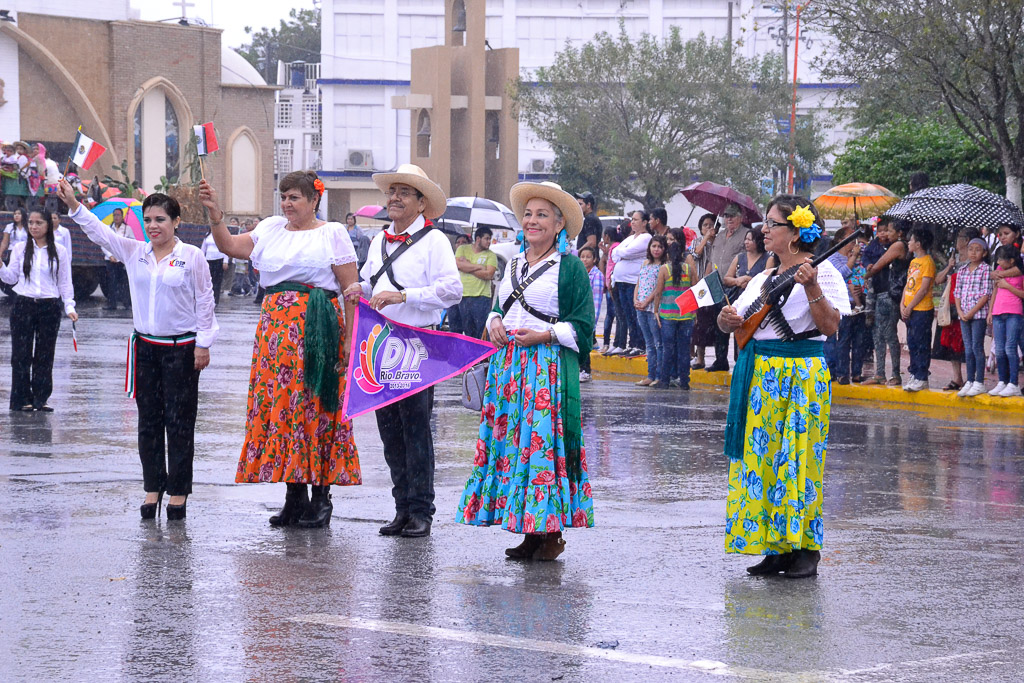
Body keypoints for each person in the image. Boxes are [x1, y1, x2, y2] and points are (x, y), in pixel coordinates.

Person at [202, 172, 361, 529]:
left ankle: (320, 497)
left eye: (294, 198)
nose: (287, 204)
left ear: (313, 200)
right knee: (282, 410)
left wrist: (350, 338)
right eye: (284, 197)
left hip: (318, 328)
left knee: (316, 409)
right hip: (276, 333)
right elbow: (229, 245)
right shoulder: (271, 228)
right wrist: (215, 214)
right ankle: (294, 495)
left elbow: (351, 289)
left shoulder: (332, 233)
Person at [57, 179, 216, 521]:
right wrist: (74, 205)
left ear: (176, 222)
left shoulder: (192, 257)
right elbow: (98, 232)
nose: (153, 226)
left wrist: (204, 343)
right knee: (148, 422)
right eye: (148, 220)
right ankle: (152, 487)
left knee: (179, 423)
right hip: (145, 348)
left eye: (160, 219)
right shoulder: (134, 252)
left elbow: (205, 301)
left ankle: (178, 492)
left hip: (182, 349)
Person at [456, 180, 595, 560]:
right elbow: (500, 307)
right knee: (516, 450)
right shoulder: (514, 263)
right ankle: (527, 528)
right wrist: (495, 320)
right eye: (529, 215)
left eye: (542, 215)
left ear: (559, 224)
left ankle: (549, 533)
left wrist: (545, 334)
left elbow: (583, 328)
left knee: (541, 451)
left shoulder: (569, 269)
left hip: (545, 369)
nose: (532, 222)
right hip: (509, 368)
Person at [717, 195, 848, 579]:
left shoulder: (824, 273)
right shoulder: (761, 277)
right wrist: (727, 319)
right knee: (765, 463)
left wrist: (811, 289)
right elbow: (736, 322)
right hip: (761, 378)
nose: (765, 230)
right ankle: (775, 546)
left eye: (773, 224)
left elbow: (830, 327)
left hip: (801, 377)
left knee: (799, 460)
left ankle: (806, 548)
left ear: (795, 234)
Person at [343, 164, 462, 539]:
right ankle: (401, 508)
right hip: (381, 347)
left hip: (417, 346)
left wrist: (406, 296)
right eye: (392, 191)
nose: (394, 198)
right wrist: (358, 289)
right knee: (389, 430)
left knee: (416, 429)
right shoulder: (378, 241)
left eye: (403, 193)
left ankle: (421, 510)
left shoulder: (435, 241)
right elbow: (373, 280)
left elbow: (452, 291)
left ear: (421, 203)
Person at [0, 209, 77, 411]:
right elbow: (10, 278)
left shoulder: (59, 251)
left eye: (38, 223)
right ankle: (21, 398)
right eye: (31, 223)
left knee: (45, 354)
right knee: (21, 354)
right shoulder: (19, 249)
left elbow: (64, 282)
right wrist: (1, 265)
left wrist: (69, 306)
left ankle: (40, 398)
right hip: (23, 304)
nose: (34, 227)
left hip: (49, 306)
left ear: (48, 226)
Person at [862, 218, 907, 386]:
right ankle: (879, 373)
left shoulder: (899, 245)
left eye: (889, 230)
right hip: (881, 294)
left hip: (890, 295)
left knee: (889, 334)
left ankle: (895, 373)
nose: (886, 234)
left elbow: (879, 265)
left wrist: (867, 274)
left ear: (899, 232)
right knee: (878, 334)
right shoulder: (886, 245)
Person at [705, 204, 748, 371]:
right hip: (717, 285)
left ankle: (739, 361)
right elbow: (711, 260)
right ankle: (720, 360)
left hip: (736, 285)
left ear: (741, 217)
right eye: (726, 215)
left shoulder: (745, 235)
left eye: (732, 215)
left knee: (736, 323)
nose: (729, 218)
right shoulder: (719, 236)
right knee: (719, 325)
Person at [932, 229, 974, 391]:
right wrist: (949, 266)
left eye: (959, 238)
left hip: (964, 306)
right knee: (950, 343)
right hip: (950, 307)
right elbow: (938, 280)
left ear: (967, 240)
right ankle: (957, 378)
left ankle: (971, 378)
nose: (956, 241)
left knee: (965, 344)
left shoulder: (972, 262)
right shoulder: (954, 260)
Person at [653, 240, 698, 388]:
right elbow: (694, 291)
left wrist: (655, 310)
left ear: (668, 255)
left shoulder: (664, 269)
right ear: (682, 255)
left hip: (667, 314)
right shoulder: (689, 269)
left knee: (668, 349)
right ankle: (684, 381)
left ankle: (665, 380)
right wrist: (695, 312)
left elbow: (658, 292)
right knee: (684, 350)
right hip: (686, 315)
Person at [953, 237, 992, 397]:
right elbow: (957, 293)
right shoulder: (962, 270)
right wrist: (961, 312)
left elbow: (985, 295)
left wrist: (970, 313)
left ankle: (979, 382)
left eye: (977, 249)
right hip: (964, 315)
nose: (973, 253)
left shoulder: (986, 269)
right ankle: (969, 380)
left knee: (977, 347)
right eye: (971, 249)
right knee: (967, 349)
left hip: (978, 315)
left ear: (984, 252)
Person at [610, 210, 652, 356]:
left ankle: (640, 344)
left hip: (633, 282)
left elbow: (625, 253)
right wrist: (622, 252)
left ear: (644, 222)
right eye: (632, 220)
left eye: (636, 219)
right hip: (621, 281)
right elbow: (614, 253)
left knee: (635, 314)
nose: (632, 222)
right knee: (627, 315)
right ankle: (632, 343)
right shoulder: (630, 238)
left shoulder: (646, 238)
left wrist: (622, 252)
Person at [900, 227, 936, 391]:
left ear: (919, 244)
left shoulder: (928, 262)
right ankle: (914, 373)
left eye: (911, 240)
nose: (909, 242)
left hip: (922, 309)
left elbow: (923, 289)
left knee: (921, 343)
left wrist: (911, 306)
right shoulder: (914, 262)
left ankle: (922, 376)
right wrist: (903, 304)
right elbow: (908, 285)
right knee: (912, 343)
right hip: (910, 308)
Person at [988, 244, 1024, 396]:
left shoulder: (1020, 274)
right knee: (1000, 350)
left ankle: (1013, 383)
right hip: (998, 312)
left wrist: (1007, 286)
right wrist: (990, 311)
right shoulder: (999, 272)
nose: (999, 262)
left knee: (1010, 348)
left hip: (1014, 312)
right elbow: (995, 291)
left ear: (1011, 261)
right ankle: (1002, 381)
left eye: (1001, 260)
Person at [633, 235, 668, 387]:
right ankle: (650, 375)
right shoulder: (645, 263)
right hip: (640, 307)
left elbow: (658, 288)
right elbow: (638, 283)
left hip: (653, 308)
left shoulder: (664, 266)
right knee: (648, 343)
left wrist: (647, 301)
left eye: (659, 247)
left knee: (658, 343)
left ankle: (659, 376)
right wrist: (635, 300)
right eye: (654, 246)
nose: (656, 249)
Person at [456, 226, 498, 339]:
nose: (489, 242)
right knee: (468, 331)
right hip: (464, 295)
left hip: (481, 297)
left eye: (490, 239)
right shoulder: (463, 249)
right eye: (487, 238)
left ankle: (484, 357)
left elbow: (489, 274)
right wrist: (479, 267)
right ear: (478, 239)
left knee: (482, 332)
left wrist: (467, 266)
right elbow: (458, 265)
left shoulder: (491, 255)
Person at [690, 213, 719, 370]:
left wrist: (713, 240)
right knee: (700, 324)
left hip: (715, 288)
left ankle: (717, 358)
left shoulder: (719, 243)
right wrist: (706, 238)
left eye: (711, 225)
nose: (708, 228)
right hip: (700, 288)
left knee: (714, 324)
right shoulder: (697, 242)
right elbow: (696, 254)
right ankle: (699, 358)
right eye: (705, 225)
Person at [579, 245, 602, 382]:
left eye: (588, 257)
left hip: (588, 317)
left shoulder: (597, 275)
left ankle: (586, 370)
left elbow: (597, 301)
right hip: (579, 315)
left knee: (585, 345)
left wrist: (592, 320)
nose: (585, 259)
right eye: (582, 257)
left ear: (594, 259)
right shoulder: (580, 273)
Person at [103, 208, 133, 311]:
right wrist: (110, 255)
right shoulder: (108, 228)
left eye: (118, 215)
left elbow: (131, 244)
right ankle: (112, 304)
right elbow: (104, 243)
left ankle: (127, 303)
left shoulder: (127, 229)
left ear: (122, 216)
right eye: (115, 215)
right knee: (111, 282)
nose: (116, 217)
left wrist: (124, 254)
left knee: (124, 283)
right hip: (110, 259)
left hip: (122, 260)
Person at [598, 226, 621, 353]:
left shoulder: (615, 248)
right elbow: (604, 263)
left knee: (612, 315)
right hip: (611, 285)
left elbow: (610, 268)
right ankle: (609, 343)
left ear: (607, 236)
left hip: (612, 285)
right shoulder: (613, 248)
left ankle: (610, 343)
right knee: (613, 315)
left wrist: (608, 284)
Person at [201, 228, 228, 305]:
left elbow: (225, 248)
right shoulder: (207, 235)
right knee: (208, 280)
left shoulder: (222, 236)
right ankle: (208, 298)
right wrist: (202, 260)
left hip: (219, 259)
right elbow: (203, 248)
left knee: (217, 281)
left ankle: (216, 298)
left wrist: (225, 261)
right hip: (208, 259)